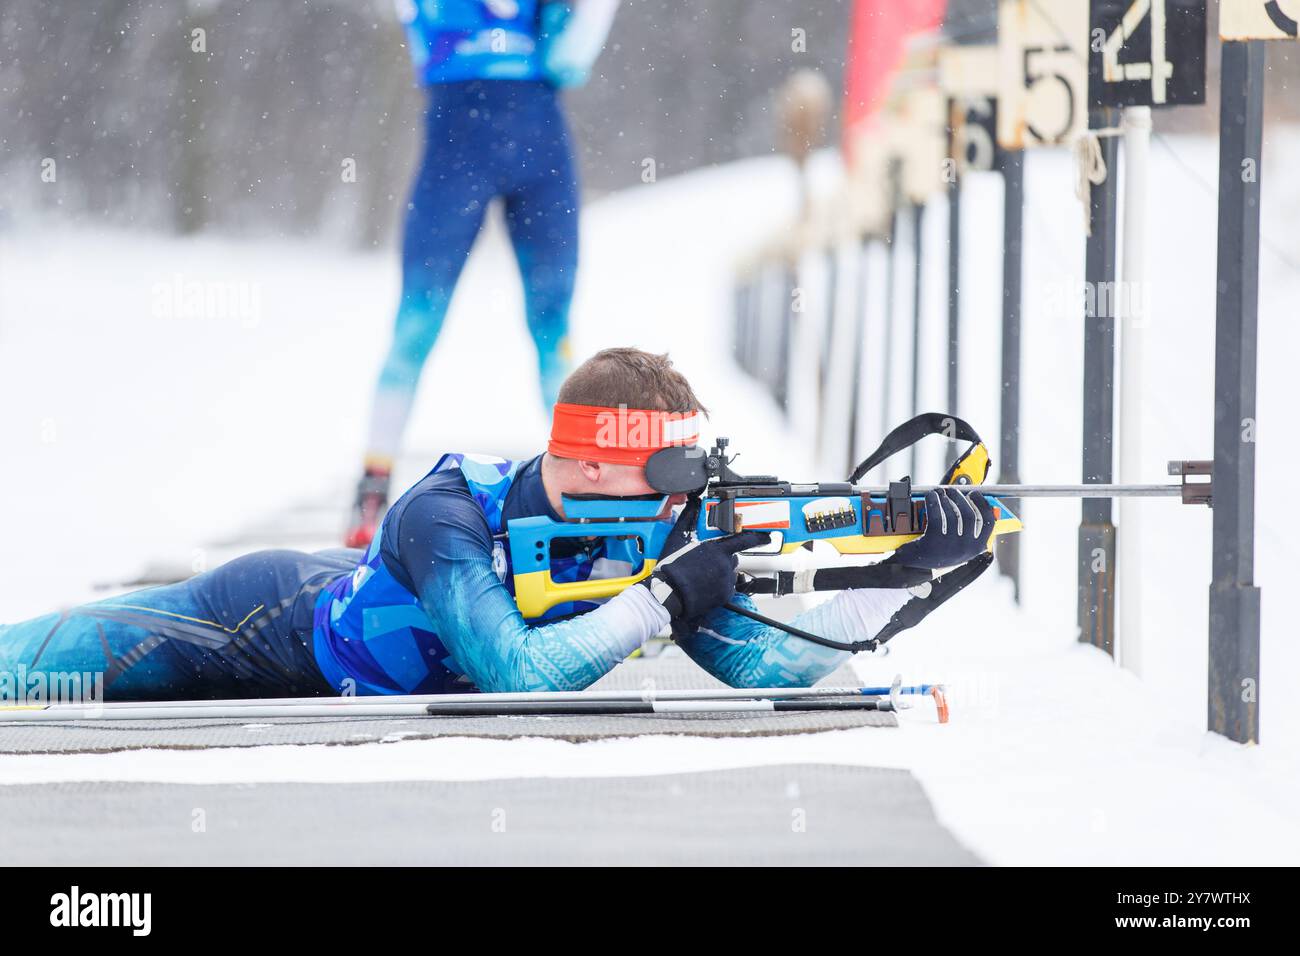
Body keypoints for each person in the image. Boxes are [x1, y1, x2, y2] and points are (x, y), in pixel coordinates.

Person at [0, 349, 994, 703]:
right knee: (25, 670)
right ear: (592, 464)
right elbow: (514, 671)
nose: (674, 504)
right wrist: (662, 597)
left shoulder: (652, 527)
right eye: (659, 478)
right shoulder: (448, 512)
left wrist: (910, 569)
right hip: (259, 630)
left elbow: (759, 669)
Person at [347, 0, 622, 548]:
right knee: (416, 326)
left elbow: (571, 63)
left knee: (553, 329)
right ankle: (371, 488)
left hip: (539, 147)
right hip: (457, 145)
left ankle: (586, 491)